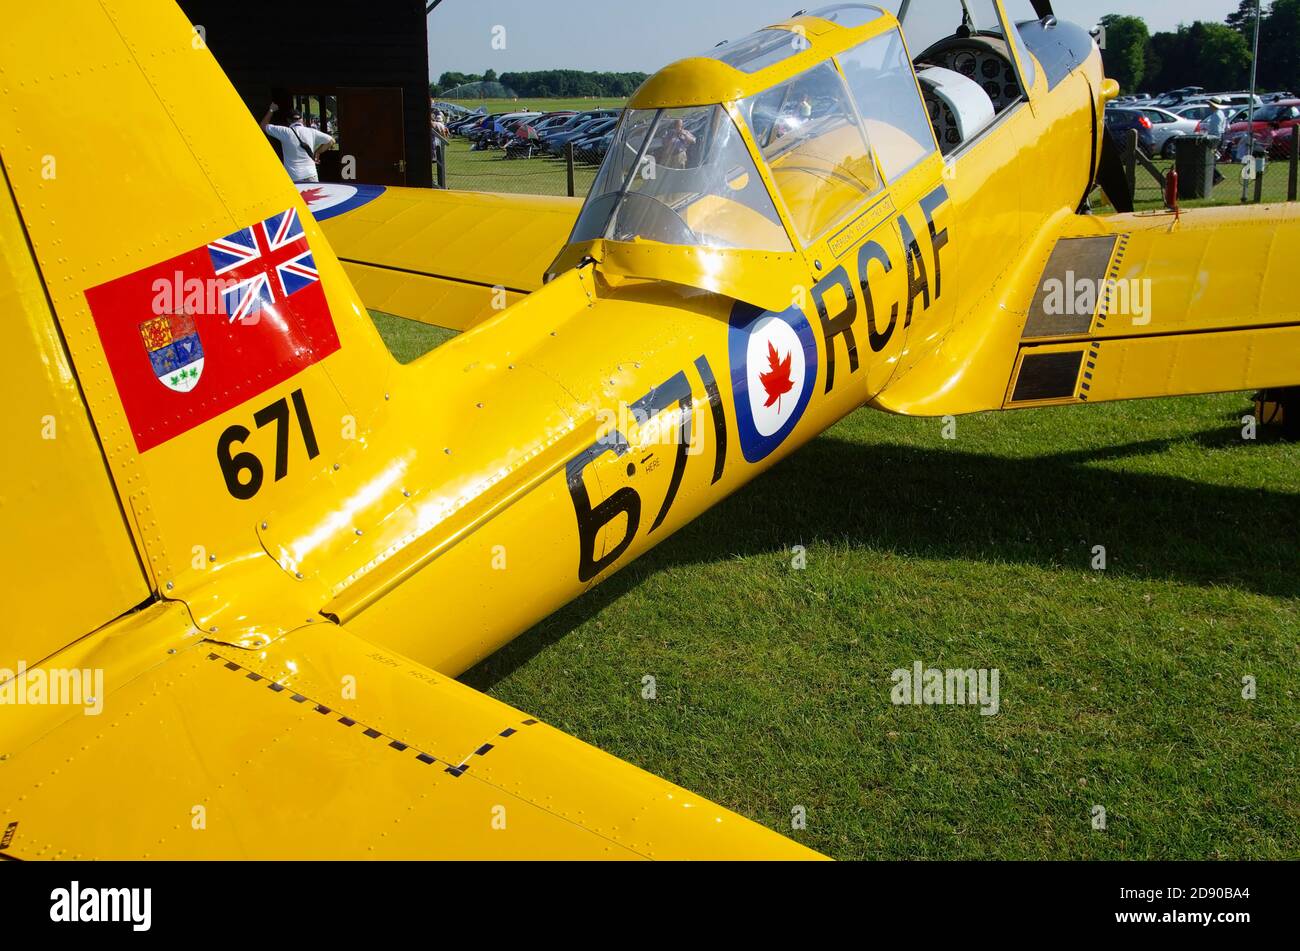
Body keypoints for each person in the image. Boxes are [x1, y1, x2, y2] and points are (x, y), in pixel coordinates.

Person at [259, 103, 335, 183]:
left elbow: (263, 125)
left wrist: (271, 109)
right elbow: (331, 141)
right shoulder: (311, 131)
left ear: (288, 120)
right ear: (302, 120)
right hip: (311, 174)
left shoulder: (284, 132)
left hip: (294, 176)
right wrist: (317, 152)